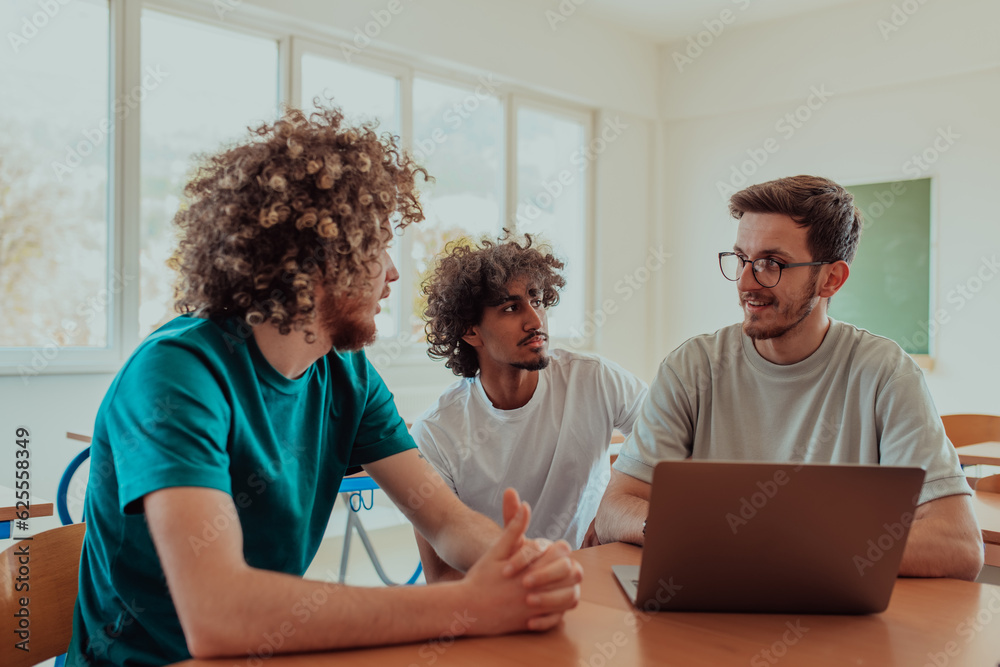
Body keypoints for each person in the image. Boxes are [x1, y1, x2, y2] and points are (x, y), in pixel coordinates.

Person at [66, 105, 583, 667]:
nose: (392, 272)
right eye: (379, 247)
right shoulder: (175, 374)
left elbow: (443, 518)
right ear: (319, 261)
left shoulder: (347, 373)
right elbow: (218, 616)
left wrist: (519, 566)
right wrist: (467, 605)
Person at [595, 174, 984, 581]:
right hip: (711, 614)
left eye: (771, 264)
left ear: (831, 278)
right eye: (741, 259)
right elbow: (615, 508)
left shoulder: (886, 373)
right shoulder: (692, 367)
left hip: (833, 628)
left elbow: (957, 543)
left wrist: (783, 549)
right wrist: (711, 536)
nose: (746, 282)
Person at [411, 236, 648, 582]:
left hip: (592, 580)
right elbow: (443, 577)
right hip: (500, 600)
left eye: (537, 300)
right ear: (470, 330)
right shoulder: (436, 433)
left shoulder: (594, 378)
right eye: (511, 308)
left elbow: (670, 441)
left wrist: (613, 509)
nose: (535, 319)